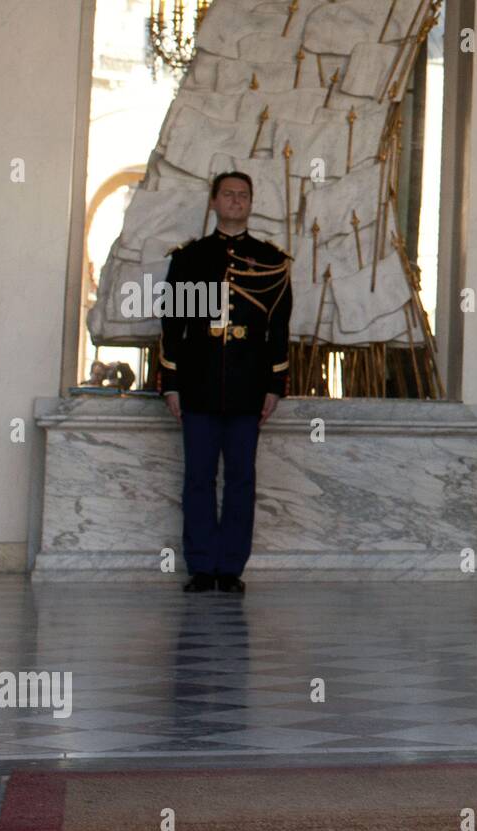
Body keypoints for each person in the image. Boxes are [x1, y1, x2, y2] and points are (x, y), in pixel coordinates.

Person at [158, 171, 291, 595]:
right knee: (198, 478)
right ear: (213, 201)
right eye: (228, 194)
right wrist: (171, 383)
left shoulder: (270, 260)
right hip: (198, 385)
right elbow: (172, 326)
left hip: (247, 388)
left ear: (251, 203)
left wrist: (274, 385)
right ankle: (201, 566)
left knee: (241, 480)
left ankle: (231, 567)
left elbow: (279, 329)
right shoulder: (190, 258)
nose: (236, 200)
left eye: (243, 195)